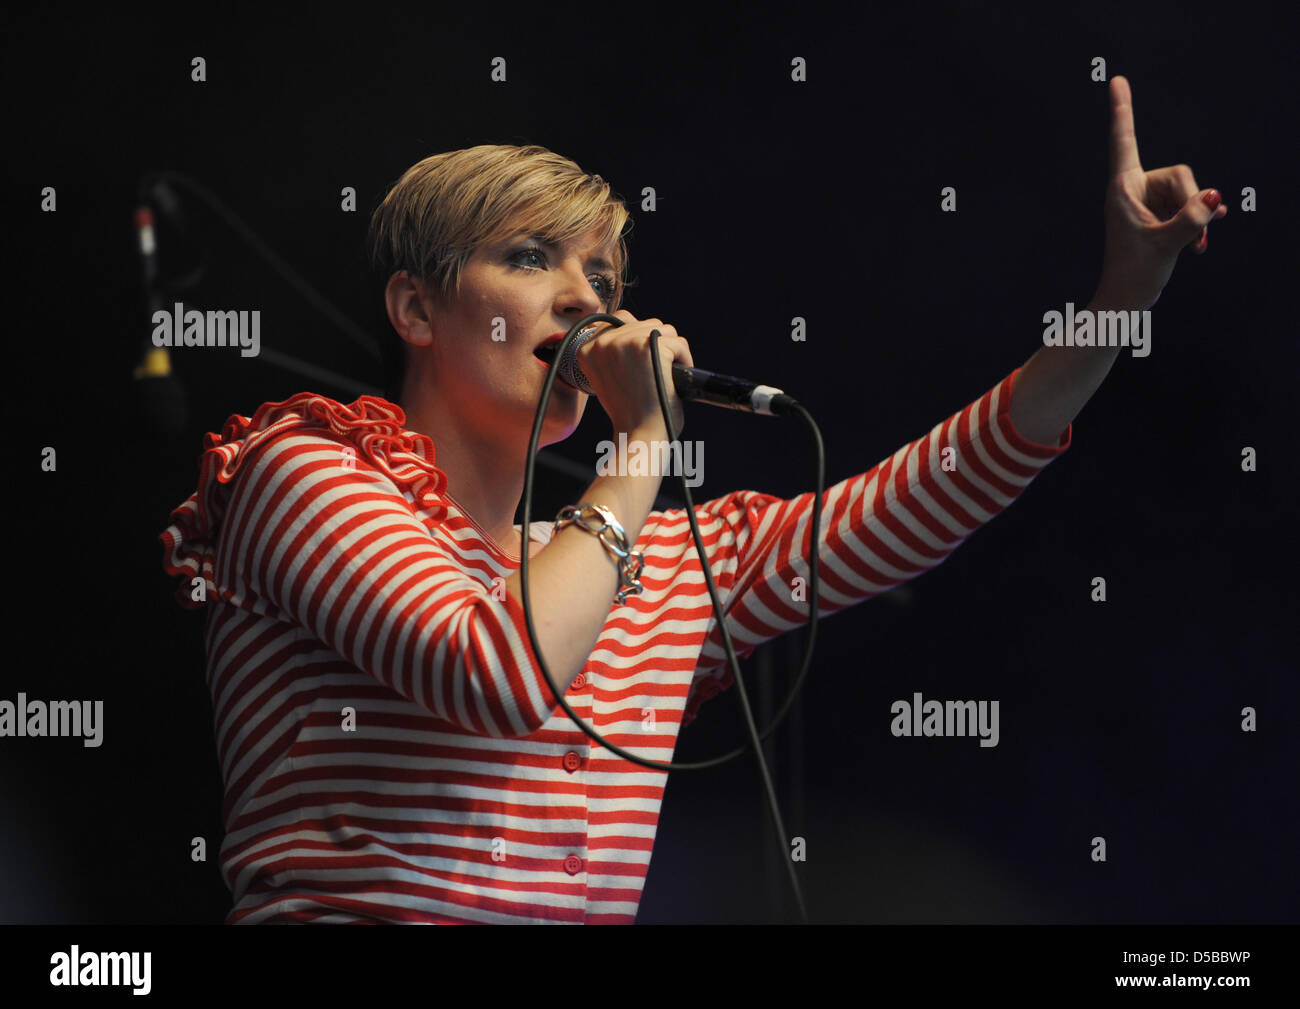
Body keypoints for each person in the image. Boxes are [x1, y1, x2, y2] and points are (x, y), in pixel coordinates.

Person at [158, 77, 1225, 924]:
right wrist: (646, 442)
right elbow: (494, 669)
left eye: (605, 279)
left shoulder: (658, 564)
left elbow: (938, 488)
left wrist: (1120, 298)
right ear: (417, 306)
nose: (586, 298)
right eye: (530, 258)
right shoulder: (304, 471)